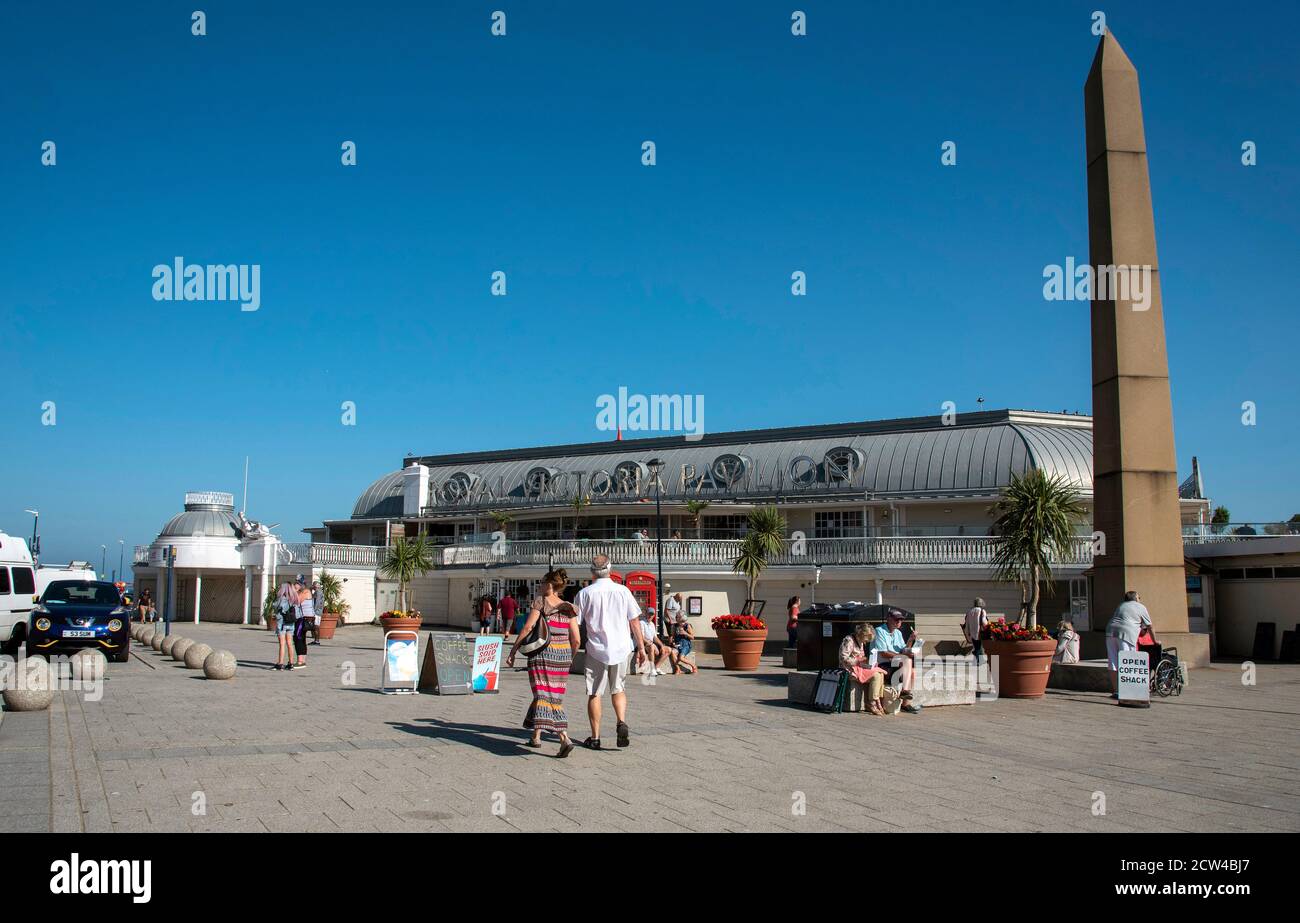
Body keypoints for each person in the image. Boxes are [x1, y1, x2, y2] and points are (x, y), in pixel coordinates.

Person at [575, 553, 647, 749]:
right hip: (621, 648)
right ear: (610, 570)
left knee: (594, 693)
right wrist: (641, 648)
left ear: (592, 572)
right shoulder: (623, 591)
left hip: (596, 649)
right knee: (619, 688)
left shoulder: (584, 594)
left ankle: (595, 737)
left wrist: (571, 647)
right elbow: (634, 621)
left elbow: (576, 623)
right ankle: (621, 721)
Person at [506, 570, 580, 757]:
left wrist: (513, 650)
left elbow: (528, 627)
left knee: (545, 695)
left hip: (543, 653)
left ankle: (564, 738)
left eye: (541, 583)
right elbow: (577, 640)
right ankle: (536, 736)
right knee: (549, 693)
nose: (539, 587)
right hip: (563, 655)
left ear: (549, 585)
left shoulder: (541, 602)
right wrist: (569, 658)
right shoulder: (569, 607)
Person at [871, 609, 920, 713]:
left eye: (901, 620)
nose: (899, 622)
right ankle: (905, 693)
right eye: (896, 619)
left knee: (913, 671)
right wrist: (902, 656)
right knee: (906, 660)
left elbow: (904, 649)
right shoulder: (879, 631)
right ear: (888, 619)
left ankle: (905, 701)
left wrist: (911, 640)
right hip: (881, 664)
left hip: (896, 663)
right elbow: (883, 653)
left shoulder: (898, 633)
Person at [1105, 590, 1151, 696]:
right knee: (1127, 662)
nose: (1140, 600)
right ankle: (1128, 690)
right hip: (1125, 634)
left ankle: (1116, 691)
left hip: (1110, 631)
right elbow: (1149, 626)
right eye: (1139, 597)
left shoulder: (1121, 605)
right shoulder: (1140, 607)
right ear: (1135, 598)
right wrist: (1154, 640)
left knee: (1113, 661)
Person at [840, 622, 886, 715]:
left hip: (859, 667)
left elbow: (861, 657)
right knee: (876, 676)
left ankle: (877, 700)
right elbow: (843, 657)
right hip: (849, 669)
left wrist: (869, 662)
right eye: (866, 639)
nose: (866, 642)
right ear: (862, 635)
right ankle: (872, 703)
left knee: (881, 674)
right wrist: (858, 660)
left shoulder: (860, 641)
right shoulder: (849, 640)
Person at [274, 580, 298, 671]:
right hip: (291, 623)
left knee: (282, 644)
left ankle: (280, 663)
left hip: (282, 622)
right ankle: (291, 663)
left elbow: (276, 606)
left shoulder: (282, 598)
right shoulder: (294, 598)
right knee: (290, 643)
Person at [293, 577, 313, 668]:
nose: (295, 585)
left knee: (298, 637)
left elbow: (296, 601)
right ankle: (302, 660)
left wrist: (295, 591)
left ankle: (301, 661)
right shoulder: (300, 592)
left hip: (304, 619)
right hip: (301, 618)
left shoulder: (306, 592)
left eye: (297, 583)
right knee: (301, 638)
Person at [962, 597, 989, 665]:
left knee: (977, 646)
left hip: (971, 632)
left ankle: (980, 659)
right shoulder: (982, 611)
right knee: (978, 647)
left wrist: (967, 632)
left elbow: (967, 622)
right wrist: (988, 625)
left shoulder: (969, 611)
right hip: (980, 632)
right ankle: (979, 661)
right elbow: (984, 622)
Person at [309, 580, 325, 645]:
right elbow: (311, 597)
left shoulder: (318, 592)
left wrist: (313, 611)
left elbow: (317, 602)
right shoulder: (318, 592)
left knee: (316, 626)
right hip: (318, 611)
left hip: (317, 612)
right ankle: (316, 640)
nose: (312, 586)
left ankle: (317, 640)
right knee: (316, 626)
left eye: (313, 585)